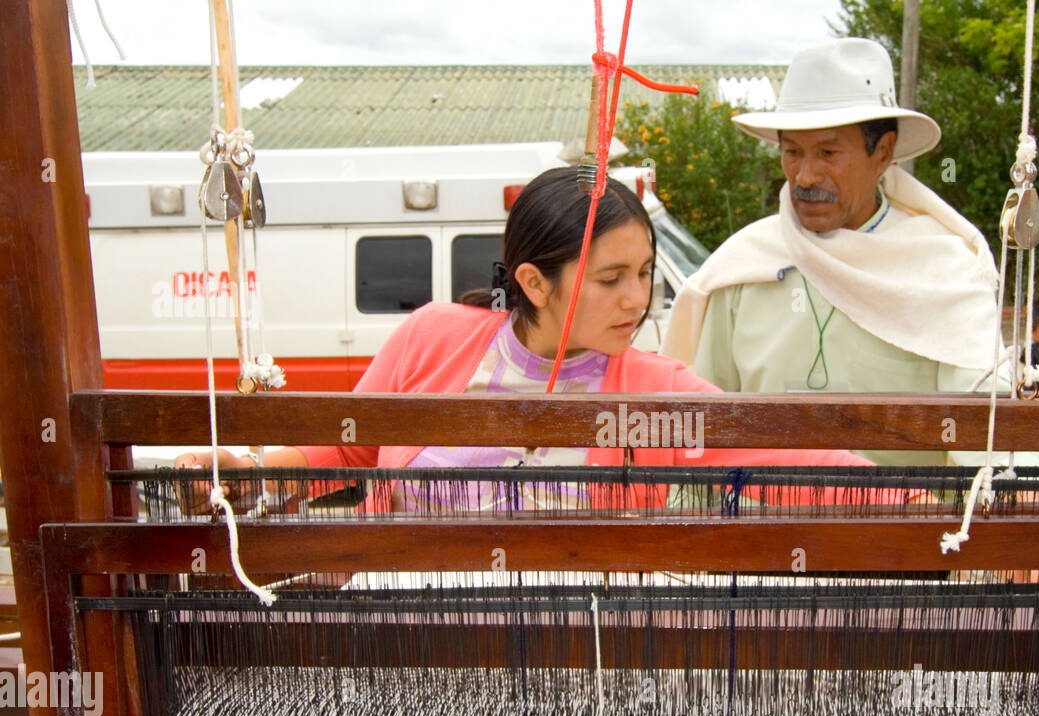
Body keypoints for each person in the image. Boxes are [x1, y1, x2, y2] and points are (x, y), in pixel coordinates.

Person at [176, 167, 876, 509]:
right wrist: (250, 474)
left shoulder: (652, 389)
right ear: (535, 283)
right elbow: (351, 445)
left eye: (644, 273)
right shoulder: (434, 338)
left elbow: (779, 450)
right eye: (610, 279)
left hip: (571, 666)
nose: (637, 299)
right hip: (404, 650)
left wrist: (911, 503)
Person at [659, 38, 1003, 466]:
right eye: (793, 152)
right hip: (758, 509)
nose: (805, 176)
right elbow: (699, 432)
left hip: (906, 510)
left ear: (882, 152)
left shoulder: (943, 274)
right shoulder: (741, 269)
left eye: (828, 153)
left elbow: (984, 438)